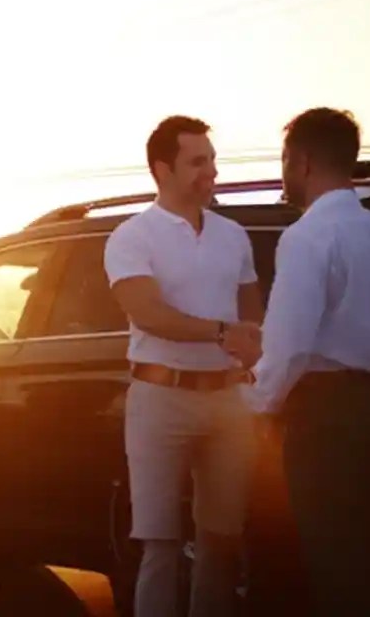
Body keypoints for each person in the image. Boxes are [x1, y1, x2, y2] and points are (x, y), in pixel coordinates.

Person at [241, 107, 370, 616]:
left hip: (327, 420)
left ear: (305, 161)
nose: (284, 173)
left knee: (332, 564)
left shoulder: (308, 237)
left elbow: (289, 344)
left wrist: (258, 406)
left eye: (285, 161)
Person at [105, 115, 264, 617]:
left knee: (220, 540)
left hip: (226, 400)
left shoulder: (233, 235)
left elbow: (250, 312)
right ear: (162, 169)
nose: (211, 171)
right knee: (160, 545)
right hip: (160, 400)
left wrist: (251, 353)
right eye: (198, 162)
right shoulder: (132, 237)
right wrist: (221, 333)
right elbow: (147, 313)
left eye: (212, 159)